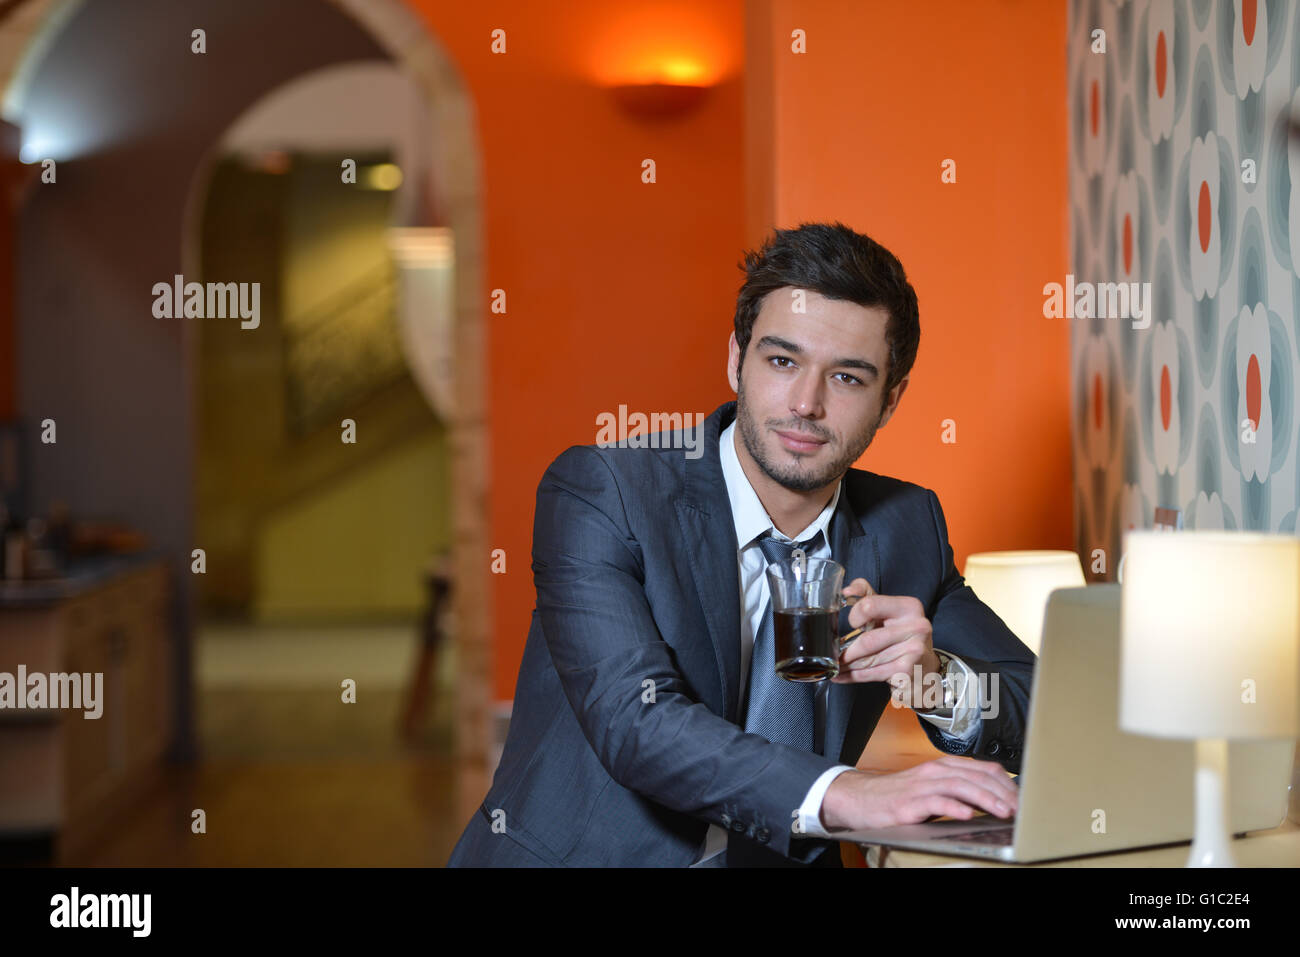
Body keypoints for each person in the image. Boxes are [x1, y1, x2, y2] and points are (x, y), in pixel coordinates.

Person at [448, 221, 1036, 867]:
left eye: (847, 377)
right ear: (736, 359)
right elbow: (634, 723)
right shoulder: (603, 491)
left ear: (890, 400)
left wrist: (935, 680)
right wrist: (847, 795)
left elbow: (1041, 704)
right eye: (782, 361)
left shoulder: (907, 525)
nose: (806, 403)